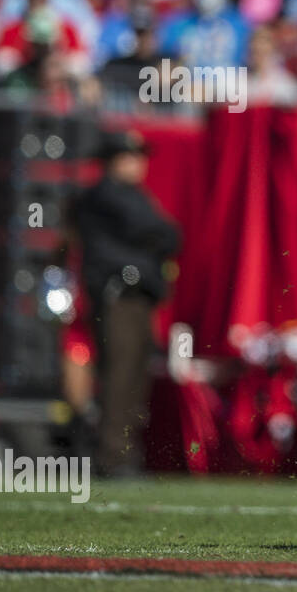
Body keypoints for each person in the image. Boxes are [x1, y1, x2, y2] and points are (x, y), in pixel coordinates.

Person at [73, 129, 180, 475]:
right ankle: (112, 454)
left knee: (136, 374)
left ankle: (125, 452)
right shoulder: (104, 196)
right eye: (129, 157)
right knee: (119, 374)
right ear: (112, 161)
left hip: (138, 298)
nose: (138, 165)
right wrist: (153, 244)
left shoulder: (134, 196)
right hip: (117, 297)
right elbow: (154, 230)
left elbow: (168, 235)